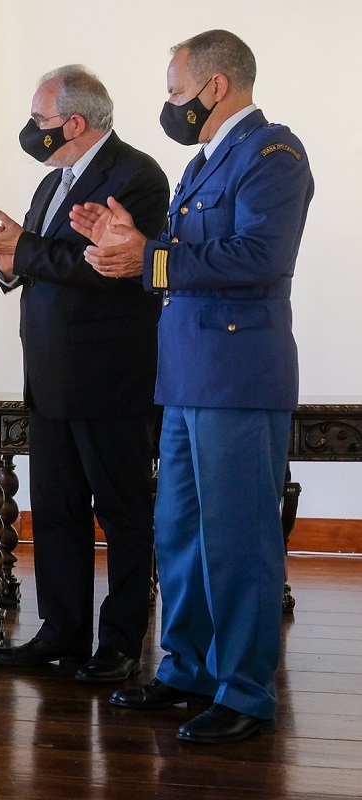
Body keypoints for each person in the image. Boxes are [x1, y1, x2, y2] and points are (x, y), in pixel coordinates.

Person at [70, 30, 314, 743]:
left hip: (237, 376)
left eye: (175, 92)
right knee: (177, 532)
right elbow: (184, 256)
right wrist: (127, 239)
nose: (168, 105)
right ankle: (187, 667)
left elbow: (257, 257)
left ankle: (243, 691)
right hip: (184, 375)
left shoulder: (271, 154)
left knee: (236, 540)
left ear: (214, 87)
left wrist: (146, 256)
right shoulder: (207, 161)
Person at [0, 66, 169, 684]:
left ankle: (123, 639)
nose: (32, 131)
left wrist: (25, 251)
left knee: (123, 512)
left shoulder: (137, 174)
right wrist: (9, 261)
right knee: (56, 511)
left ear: (73, 123)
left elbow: (106, 263)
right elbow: (41, 264)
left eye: (40, 120)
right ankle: (65, 630)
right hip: (48, 376)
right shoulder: (54, 180)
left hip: (111, 378)